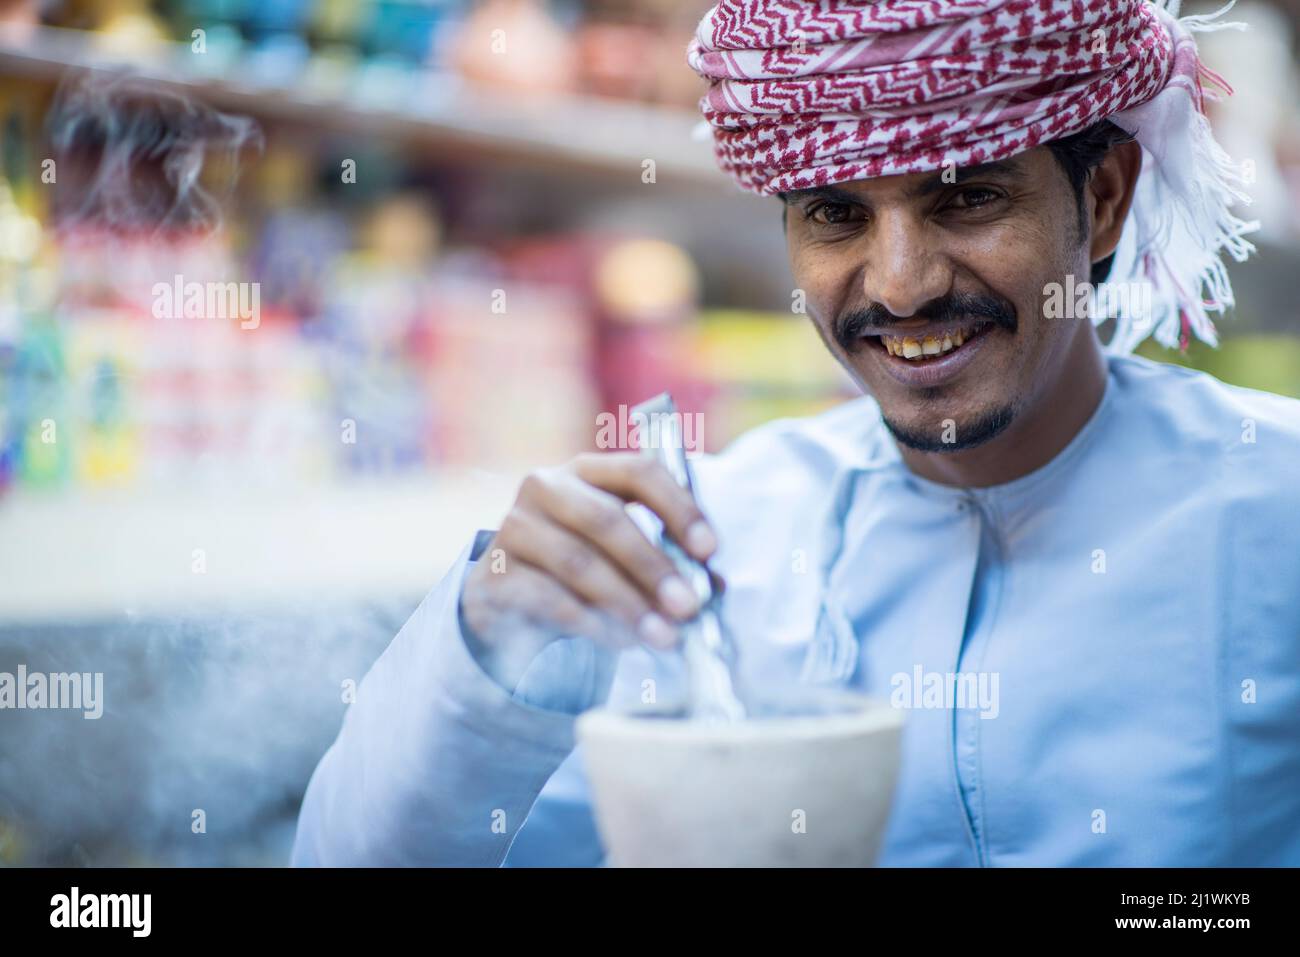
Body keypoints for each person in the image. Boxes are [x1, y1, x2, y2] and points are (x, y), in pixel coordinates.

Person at [292, 0, 1300, 866]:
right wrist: (487, 643)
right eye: (834, 216)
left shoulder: (1274, 505)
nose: (900, 284)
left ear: (1106, 197)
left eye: (968, 198)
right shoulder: (695, 549)